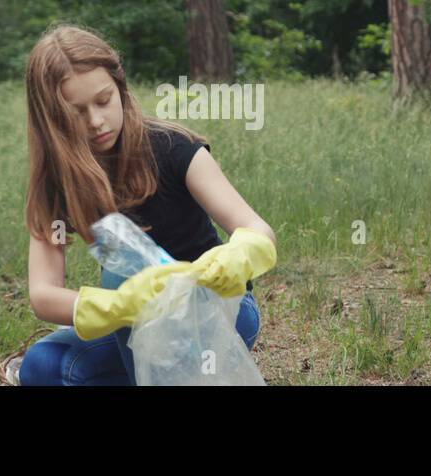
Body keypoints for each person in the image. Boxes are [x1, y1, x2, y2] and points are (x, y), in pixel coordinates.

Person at [18, 23, 278, 386]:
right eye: (76, 112)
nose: (95, 121)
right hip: (136, 325)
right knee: (43, 366)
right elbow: (43, 294)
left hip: (219, 316)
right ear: (51, 119)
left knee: (122, 272)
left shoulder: (174, 148)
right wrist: (120, 304)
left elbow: (256, 228)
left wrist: (239, 255)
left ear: (121, 89)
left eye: (103, 100)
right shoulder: (57, 182)